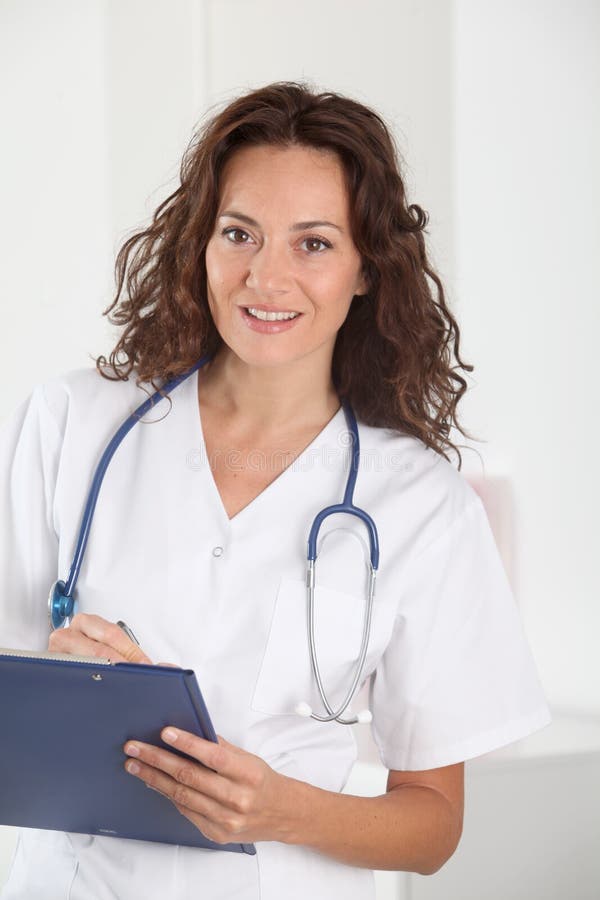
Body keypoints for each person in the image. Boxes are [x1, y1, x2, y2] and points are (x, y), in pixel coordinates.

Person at [0, 82, 551, 899]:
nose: (267, 276)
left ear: (368, 269)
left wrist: (282, 811)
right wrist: (53, 678)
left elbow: (433, 826)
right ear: (201, 245)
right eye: (239, 234)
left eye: (314, 244)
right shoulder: (73, 423)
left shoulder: (422, 505)